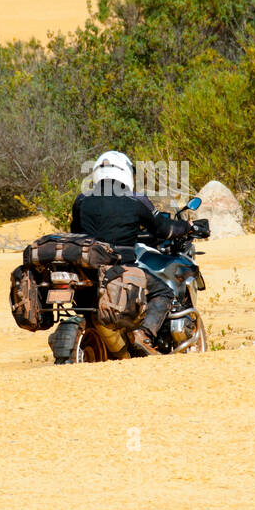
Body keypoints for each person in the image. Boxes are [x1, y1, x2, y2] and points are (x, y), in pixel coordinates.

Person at [70, 150, 188, 357]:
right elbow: (162, 228)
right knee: (163, 292)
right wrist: (186, 227)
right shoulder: (135, 200)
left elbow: (76, 232)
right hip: (119, 269)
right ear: (125, 172)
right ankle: (143, 334)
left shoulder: (81, 201)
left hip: (87, 271)